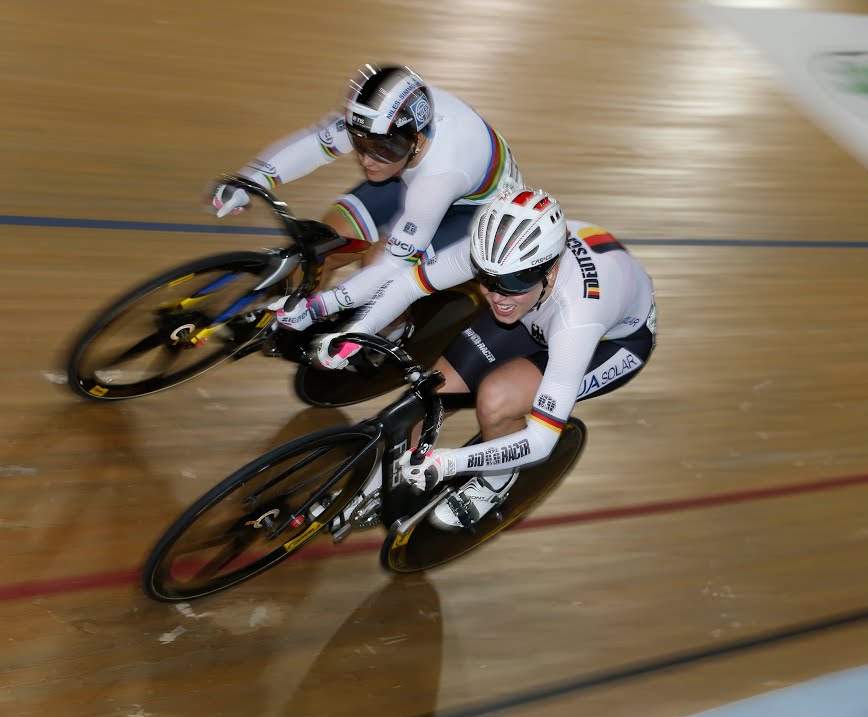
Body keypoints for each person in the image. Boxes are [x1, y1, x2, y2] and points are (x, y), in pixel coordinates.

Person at [311, 187, 658, 531]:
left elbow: (540, 441)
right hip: (536, 310)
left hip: (611, 342)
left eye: (512, 283)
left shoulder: (578, 318)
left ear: (549, 271)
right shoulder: (494, 254)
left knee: (496, 401)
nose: (497, 295)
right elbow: (407, 285)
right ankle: (375, 485)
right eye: (487, 281)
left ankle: (496, 482)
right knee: (431, 393)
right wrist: (355, 333)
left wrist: (450, 463)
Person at [209, 63, 524, 340]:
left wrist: (320, 307)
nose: (368, 160)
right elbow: (317, 145)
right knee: (325, 241)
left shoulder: (439, 175)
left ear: (416, 139)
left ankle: (392, 332)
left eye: (382, 150)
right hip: (413, 173)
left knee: (378, 260)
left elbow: (392, 266)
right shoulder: (381, 122)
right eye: (360, 145)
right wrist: (251, 181)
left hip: (478, 209)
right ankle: (295, 321)